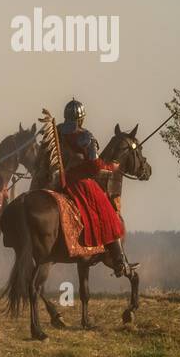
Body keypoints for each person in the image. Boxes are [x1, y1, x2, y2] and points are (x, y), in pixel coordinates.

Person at [50, 99, 137, 277]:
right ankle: (119, 260)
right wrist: (110, 167)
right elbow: (94, 166)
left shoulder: (55, 132)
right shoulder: (85, 136)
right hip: (79, 182)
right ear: (82, 118)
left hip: (57, 181)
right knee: (108, 213)